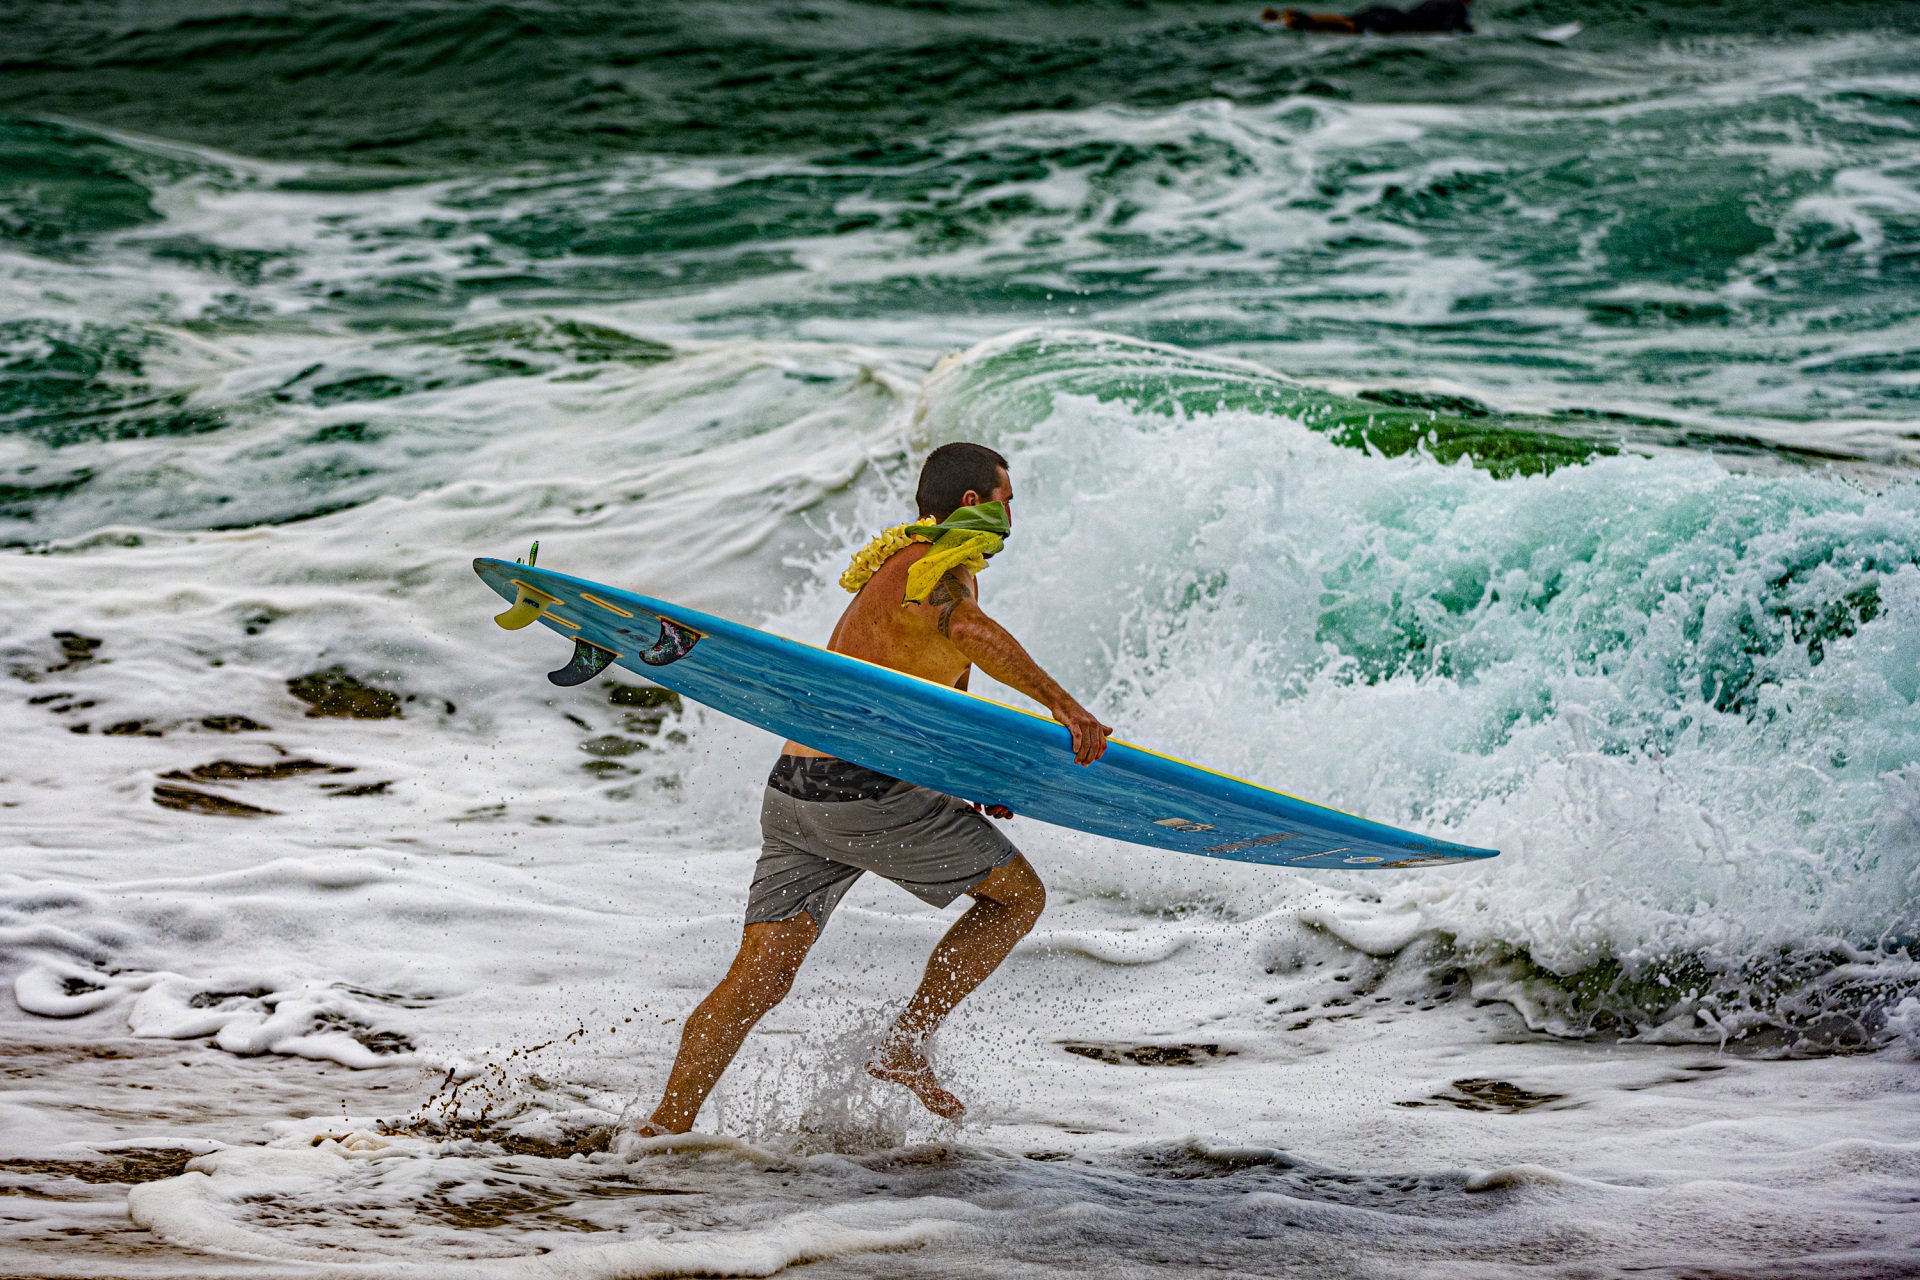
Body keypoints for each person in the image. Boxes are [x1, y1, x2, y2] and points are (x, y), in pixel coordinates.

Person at [637, 442, 1111, 1133]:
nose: (1013, 515)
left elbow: (936, 697)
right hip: (865, 792)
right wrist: (1066, 709)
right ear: (972, 503)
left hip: (796, 792)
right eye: (1006, 500)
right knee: (1018, 898)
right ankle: (906, 1042)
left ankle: (662, 1130)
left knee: (759, 978)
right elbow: (969, 631)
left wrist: (966, 779)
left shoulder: (902, 566)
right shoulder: (934, 571)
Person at [1261, 0, 1471, 34]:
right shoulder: (1456, 5)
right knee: (1353, 26)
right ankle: (1303, 21)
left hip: (1390, 13)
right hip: (1397, 22)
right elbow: (1451, 28)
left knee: (1352, 19)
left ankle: (1299, 18)